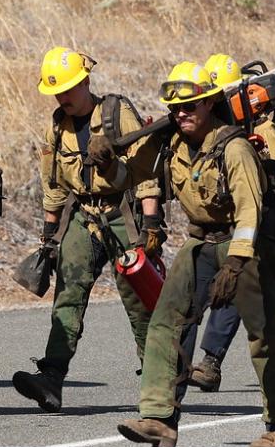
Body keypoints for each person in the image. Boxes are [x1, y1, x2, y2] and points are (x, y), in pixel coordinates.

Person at [117, 61, 275, 447]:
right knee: (166, 322)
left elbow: (250, 210)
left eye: (191, 107)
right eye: (177, 108)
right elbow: (131, 174)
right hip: (199, 243)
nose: (182, 114)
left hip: (242, 244)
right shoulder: (174, 146)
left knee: (264, 334)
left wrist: (236, 264)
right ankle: (159, 419)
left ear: (209, 105)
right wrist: (106, 159)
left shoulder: (234, 148)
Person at [12, 46, 164, 412]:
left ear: (85, 82)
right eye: (56, 91)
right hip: (84, 216)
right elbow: (53, 185)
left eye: (67, 88)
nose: (62, 97)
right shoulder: (56, 125)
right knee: (68, 295)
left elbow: (144, 169)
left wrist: (152, 223)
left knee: (139, 301)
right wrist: (49, 238)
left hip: (123, 213)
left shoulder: (115, 112)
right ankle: (51, 378)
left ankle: (157, 383)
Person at [183, 54, 275, 393]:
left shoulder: (263, 130)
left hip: (261, 226)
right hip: (225, 225)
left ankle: (211, 363)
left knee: (235, 288)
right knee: (269, 300)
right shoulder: (207, 137)